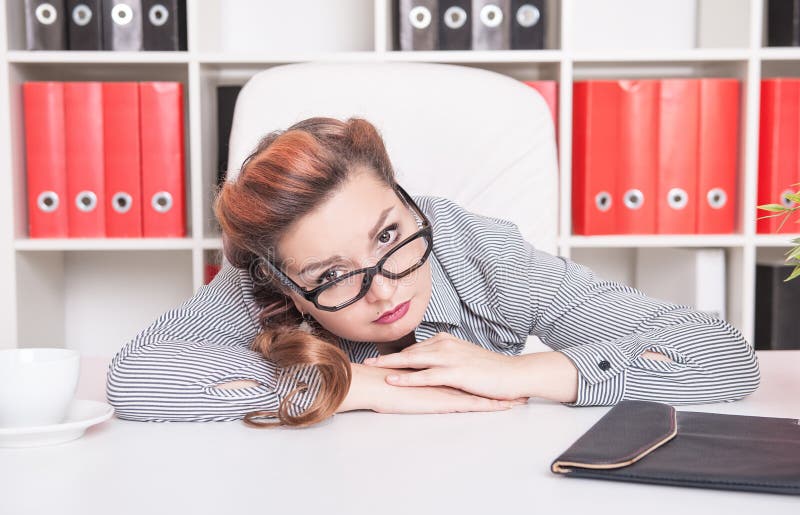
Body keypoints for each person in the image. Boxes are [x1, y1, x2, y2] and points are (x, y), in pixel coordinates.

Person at [105, 117, 761, 428]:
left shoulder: (480, 253)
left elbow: (724, 354)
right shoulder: (261, 285)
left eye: (389, 235)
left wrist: (519, 371)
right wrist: (354, 383)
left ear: (406, 198)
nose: (386, 288)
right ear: (287, 283)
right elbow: (134, 376)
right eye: (334, 276)